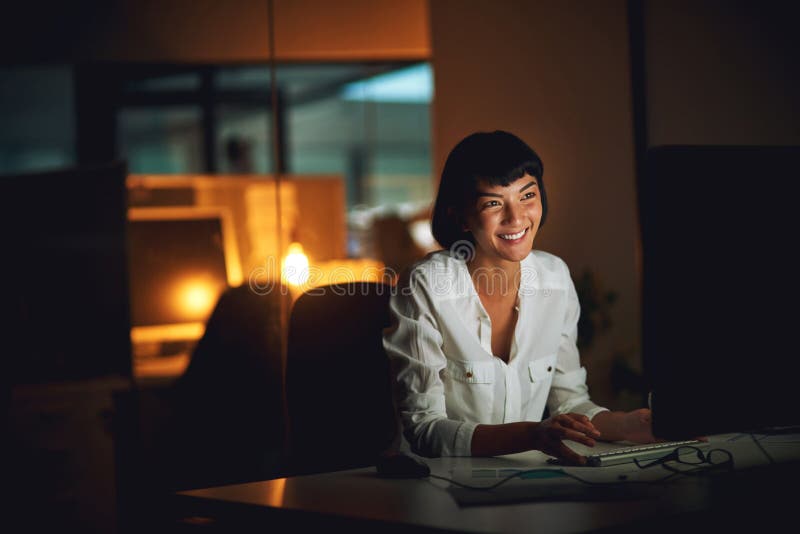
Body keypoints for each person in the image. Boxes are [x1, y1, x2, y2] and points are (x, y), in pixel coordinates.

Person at [382, 130, 656, 465]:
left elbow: (570, 405)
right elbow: (424, 429)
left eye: (527, 196)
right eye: (493, 203)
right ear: (461, 215)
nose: (516, 218)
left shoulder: (554, 278)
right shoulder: (427, 284)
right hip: (437, 486)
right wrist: (531, 434)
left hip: (526, 483)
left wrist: (631, 425)